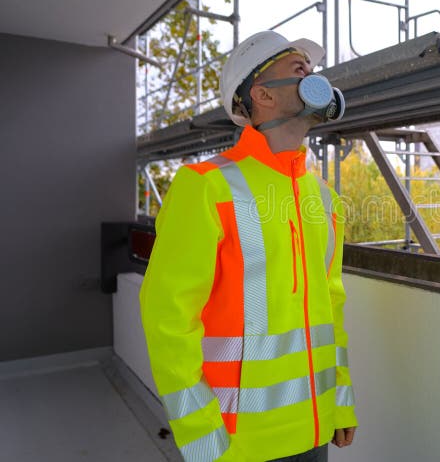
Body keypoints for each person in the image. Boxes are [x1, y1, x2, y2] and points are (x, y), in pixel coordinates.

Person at [140, 31, 357, 462]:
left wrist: (341, 403)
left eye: (312, 71)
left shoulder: (326, 201)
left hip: (314, 433)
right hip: (238, 444)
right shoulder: (205, 187)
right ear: (262, 95)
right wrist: (202, 437)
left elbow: (330, 309)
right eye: (299, 70)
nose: (314, 78)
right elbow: (167, 319)